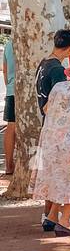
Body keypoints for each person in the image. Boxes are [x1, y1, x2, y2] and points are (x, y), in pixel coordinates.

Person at [29, 55, 70, 237]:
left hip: (49, 139)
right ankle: (65, 222)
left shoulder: (58, 87)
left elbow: (46, 109)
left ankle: (51, 217)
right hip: (68, 142)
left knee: (58, 179)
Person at [2, 28, 14, 177]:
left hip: (12, 90)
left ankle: (9, 165)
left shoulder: (9, 45)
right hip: (30, 90)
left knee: (11, 127)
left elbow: (5, 70)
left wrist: (9, 86)